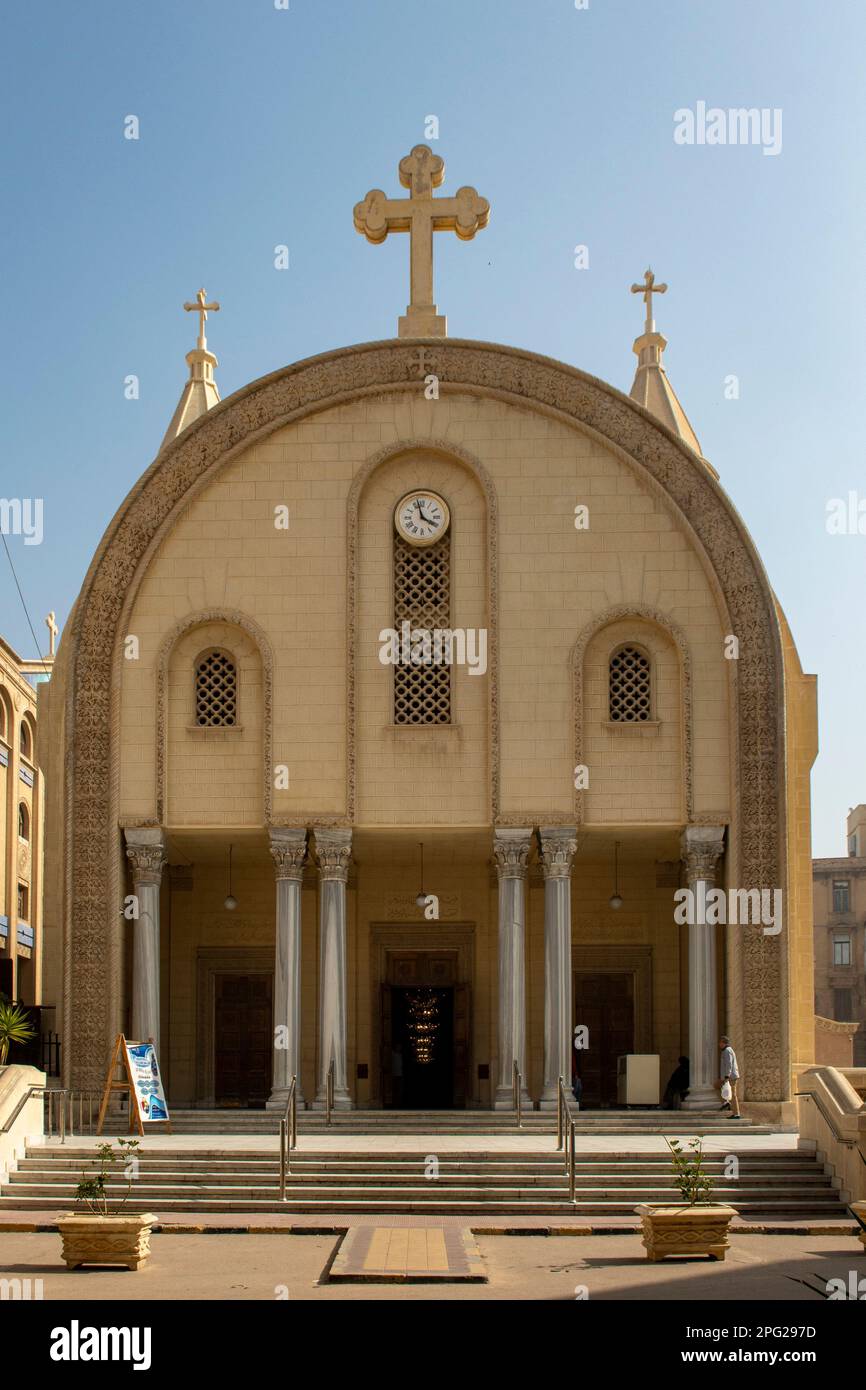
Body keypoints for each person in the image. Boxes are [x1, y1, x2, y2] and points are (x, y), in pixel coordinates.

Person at [719, 1035, 741, 1117]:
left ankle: (736, 1114)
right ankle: (726, 1102)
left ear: (723, 1043)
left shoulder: (727, 1051)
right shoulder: (725, 1051)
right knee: (719, 1086)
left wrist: (727, 1077)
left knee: (733, 1094)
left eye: (720, 1042)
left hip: (731, 1077)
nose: (719, 1044)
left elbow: (729, 1064)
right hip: (729, 1076)